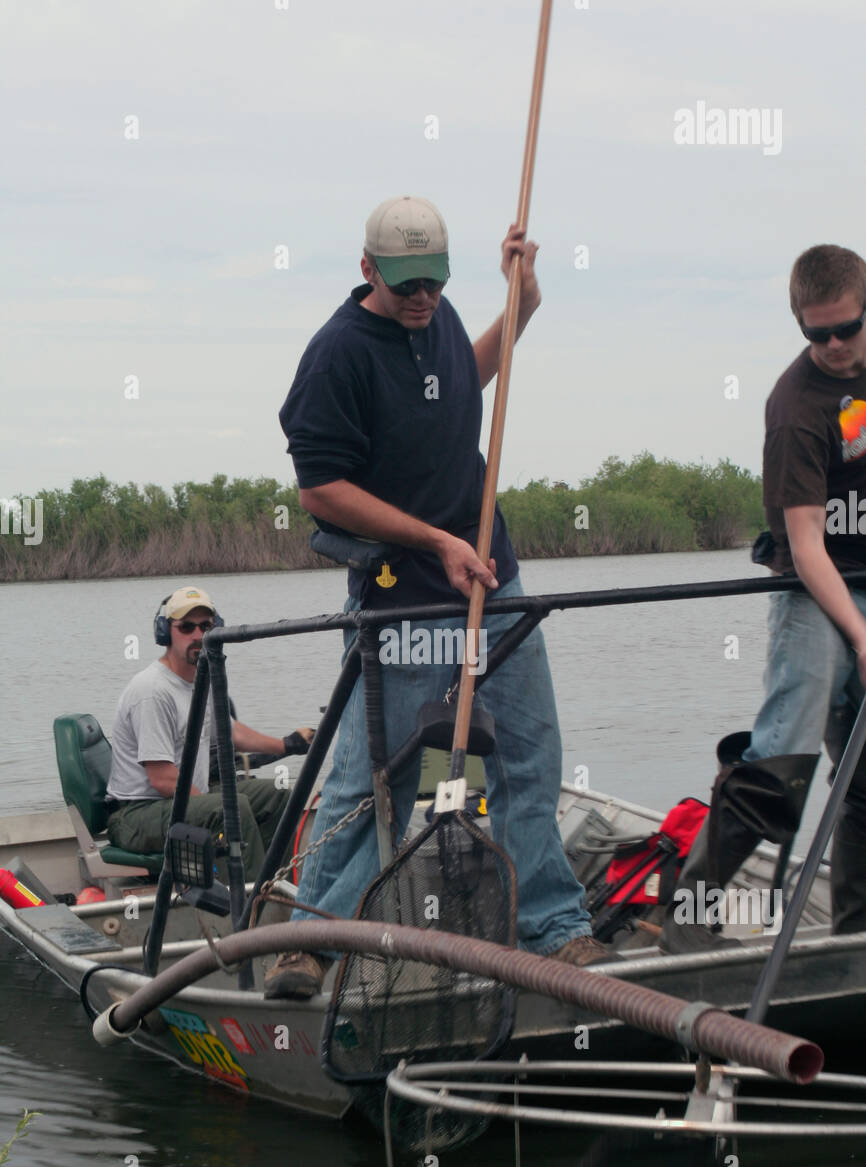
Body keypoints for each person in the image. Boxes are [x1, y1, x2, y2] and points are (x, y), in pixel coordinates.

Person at [266, 193, 611, 1000]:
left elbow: (470, 379)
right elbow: (321, 489)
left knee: (528, 755)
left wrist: (518, 302)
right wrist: (436, 542)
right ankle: (310, 936)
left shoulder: (444, 317)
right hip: (402, 591)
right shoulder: (337, 354)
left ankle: (557, 930)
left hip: (492, 577)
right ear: (367, 270)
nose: (423, 298)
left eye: (434, 281)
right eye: (406, 283)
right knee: (370, 774)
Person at [661, 244, 866, 952]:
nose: (835, 346)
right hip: (814, 587)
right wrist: (862, 639)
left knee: (865, 769)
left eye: (847, 328)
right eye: (818, 334)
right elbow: (806, 546)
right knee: (786, 749)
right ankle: (686, 918)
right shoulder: (796, 408)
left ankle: (855, 937)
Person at [105, 584, 314, 879]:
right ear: (166, 633)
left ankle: (274, 886)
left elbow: (228, 731)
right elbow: (162, 778)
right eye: (186, 627)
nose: (198, 636)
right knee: (232, 807)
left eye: (206, 626)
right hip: (136, 815)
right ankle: (252, 910)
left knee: (278, 794)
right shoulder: (152, 690)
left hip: (180, 800)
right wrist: (210, 805)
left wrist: (286, 744)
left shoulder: (200, 680)